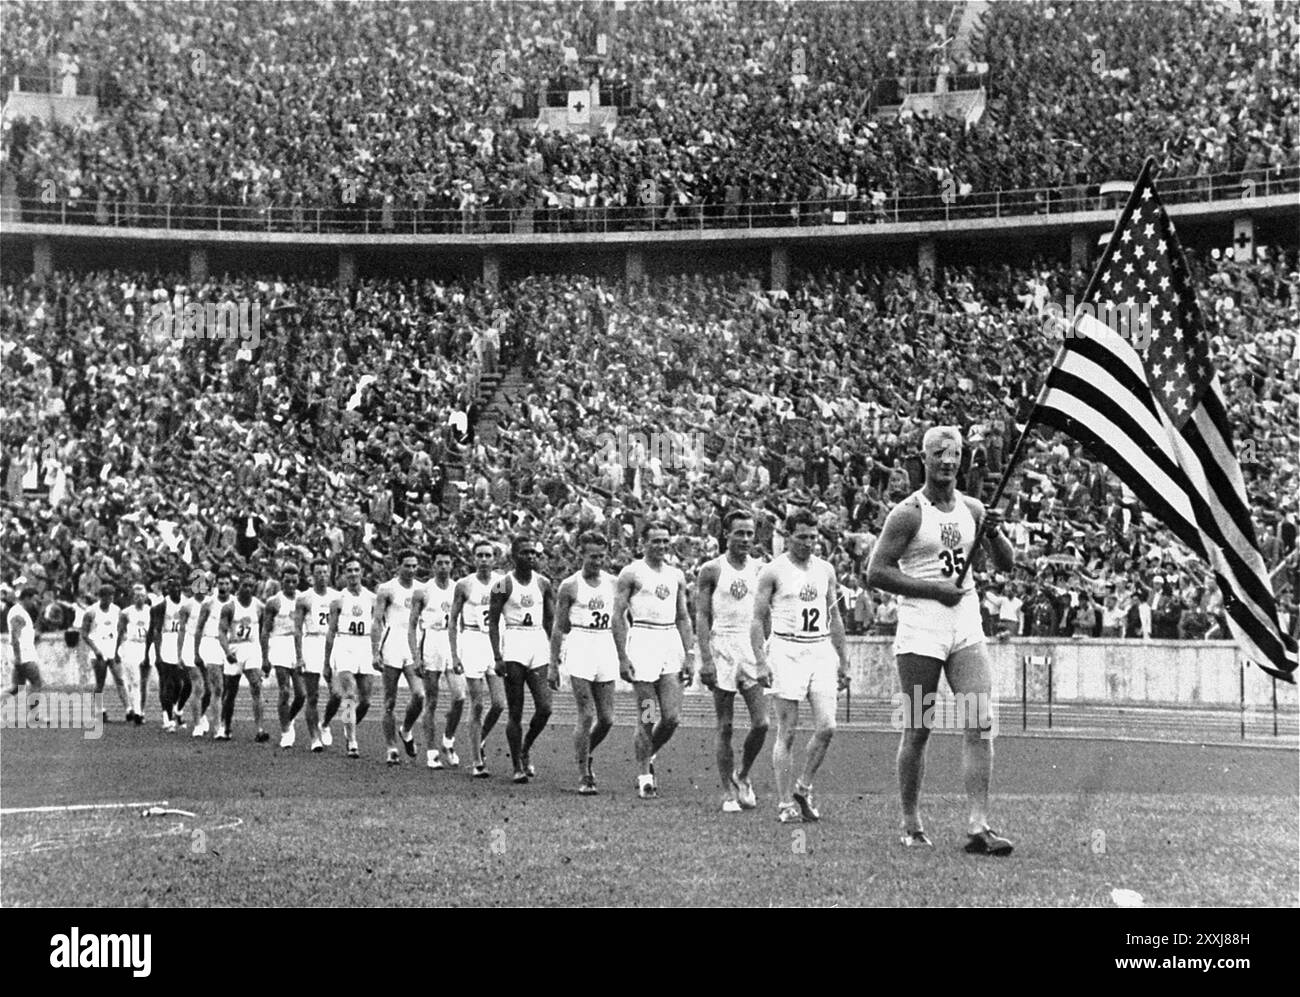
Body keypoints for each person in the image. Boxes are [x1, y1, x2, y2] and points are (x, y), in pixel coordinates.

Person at [866, 425, 1015, 855]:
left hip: (964, 621)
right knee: (918, 727)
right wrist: (933, 590)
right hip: (921, 627)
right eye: (938, 454)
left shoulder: (972, 507)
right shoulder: (908, 513)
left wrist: (994, 532)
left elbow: (1006, 563)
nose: (947, 461)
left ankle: (978, 824)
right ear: (924, 458)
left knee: (980, 719)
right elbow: (876, 572)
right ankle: (911, 821)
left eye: (954, 454)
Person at [752, 510, 849, 824]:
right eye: (802, 537)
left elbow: (834, 618)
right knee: (788, 730)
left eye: (813, 537)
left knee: (827, 727)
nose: (808, 543)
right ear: (787, 535)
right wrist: (761, 660)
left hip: (819, 649)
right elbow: (756, 619)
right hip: (786, 648)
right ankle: (784, 804)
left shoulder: (826, 570)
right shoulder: (772, 571)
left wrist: (843, 661)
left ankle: (803, 787)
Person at [612, 521, 695, 800]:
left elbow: (683, 617)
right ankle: (644, 774)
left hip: (669, 643)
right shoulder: (631, 573)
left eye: (665, 541)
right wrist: (623, 656)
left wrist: (689, 654)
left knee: (671, 718)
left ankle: (649, 754)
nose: (661, 546)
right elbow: (618, 616)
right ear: (643, 543)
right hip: (643, 644)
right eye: (655, 541)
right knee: (647, 716)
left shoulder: (676, 575)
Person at [696, 510, 769, 813]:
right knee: (725, 725)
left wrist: (766, 653)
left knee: (762, 723)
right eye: (739, 532)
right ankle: (728, 792)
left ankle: (743, 775)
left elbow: (766, 614)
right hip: (722, 645)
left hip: (751, 646)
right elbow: (701, 615)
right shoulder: (711, 569)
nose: (745, 539)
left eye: (750, 533)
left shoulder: (762, 569)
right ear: (726, 534)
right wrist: (706, 659)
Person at [549, 531, 617, 795]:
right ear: (581, 554)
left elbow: (621, 619)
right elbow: (558, 627)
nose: (597, 561)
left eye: (601, 556)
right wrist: (553, 664)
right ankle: (583, 775)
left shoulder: (612, 582)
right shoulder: (570, 585)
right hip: (580, 644)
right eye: (592, 556)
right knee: (586, 714)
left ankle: (586, 753)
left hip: (605, 644)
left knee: (608, 718)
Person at [488, 536, 556, 783]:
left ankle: (526, 747)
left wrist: (555, 655)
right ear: (514, 556)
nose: (531, 557)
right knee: (515, 710)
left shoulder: (544, 583)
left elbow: (550, 620)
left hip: (537, 642)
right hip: (515, 642)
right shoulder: (502, 585)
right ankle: (516, 764)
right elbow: (493, 622)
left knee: (545, 707)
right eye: (526, 553)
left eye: (534, 553)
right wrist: (497, 655)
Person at [448, 540, 507, 777]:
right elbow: (452, 620)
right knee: (476, 703)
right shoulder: (464, 585)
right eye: (479, 555)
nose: (484, 559)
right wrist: (454, 654)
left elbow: (506, 613)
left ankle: (478, 738)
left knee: (499, 704)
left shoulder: (500, 584)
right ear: (473, 559)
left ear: (494, 559)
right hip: (471, 641)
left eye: (488, 555)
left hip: (493, 642)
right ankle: (475, 760)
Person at [408, 544, 467, 769]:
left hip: (452, 642)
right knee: (430, 700)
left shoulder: (458, 588)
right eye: (439, 563)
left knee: (460, 696)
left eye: (447, 563)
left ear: (452, 565)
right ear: (432, 565)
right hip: (431, 642)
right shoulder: (423, 591)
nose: (443, 567)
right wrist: (416, 656)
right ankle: (431, 750)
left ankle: (448, 740)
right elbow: (412, 626)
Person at [324, 558, 379, 758]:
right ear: (344, 574)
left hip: (364, 645)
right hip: (345, 645)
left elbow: (378, 625)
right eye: (349, 570)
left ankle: (349, 724)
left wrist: (376, 651)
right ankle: (352, 740)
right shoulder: (338, 600)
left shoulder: (372, 599)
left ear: (362, 572)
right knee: (349, 694)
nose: (353, 574)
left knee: (365, 701)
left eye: (357, 570)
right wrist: (327, 662)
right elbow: (330, 632)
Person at [375, 550, 422, 765]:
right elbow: (377, 621)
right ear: (398, 566)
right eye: (407, 566)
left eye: (414, 566)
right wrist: (375, 651)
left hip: (412, 644)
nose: (411, 570)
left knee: (419, 695)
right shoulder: (387, 589)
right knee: (389, 701)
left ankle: (406, 729)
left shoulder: (422, 589)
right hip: (392, 643)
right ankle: (391, 747)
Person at [217, 574, 269, 742]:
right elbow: (222, 632)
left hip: (252, 648)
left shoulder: (259, 606)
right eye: (245, 585)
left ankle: (260, 729)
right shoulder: (230, 607)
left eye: (251, 586)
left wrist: (265, 654)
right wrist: (227, 651)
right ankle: (225, 726)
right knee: (230, 691)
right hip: (235, 647)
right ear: (239, 586)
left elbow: (265, 628)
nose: (248, 589)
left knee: (256, 685)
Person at [294, 556, 337, 751]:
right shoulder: (304, 598)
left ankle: (326, 723)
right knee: (312, 696)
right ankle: (314, 738)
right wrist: (299, 655)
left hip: (333, 643)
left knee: (338, 694)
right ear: (312, 575)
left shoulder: (337, 597)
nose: (322, 576)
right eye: (318, 572)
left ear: (330, 573)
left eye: (325, 572)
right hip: (312, 641)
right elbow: (297, 628)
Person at [262, 563, 306, 748]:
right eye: (287, 581)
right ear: (282, 581)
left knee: (301, 694)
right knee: (284, 690)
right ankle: (286, 730)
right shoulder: (274, 602)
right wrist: (264, 657)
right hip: (279, 643)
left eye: (294, 581)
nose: (290, 585)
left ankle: (289, 718)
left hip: (296, 644)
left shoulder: (303, 599)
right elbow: (265, 630)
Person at [80, 583, 131, 722]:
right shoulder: (91, 612)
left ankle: (128, 709)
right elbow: (84, 634)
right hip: (98, 648)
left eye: (111, 596)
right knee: (100, 682)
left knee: (120, 679)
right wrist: (95, 650)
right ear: (101, 597)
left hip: (112, 648)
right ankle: (99, 710)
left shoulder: (116, 610)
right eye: (106, 596)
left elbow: (120, 631)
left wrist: (118, 649)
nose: (109, 599)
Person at [193, 570, 235, 736]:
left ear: (231, 585)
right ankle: (217, 727)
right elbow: (198, 628)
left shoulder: (235, 603)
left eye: (227, 583)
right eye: (221, 584)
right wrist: (196, 653)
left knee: (225, 689)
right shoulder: (209, 604)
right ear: (216, 585)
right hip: (211, 643)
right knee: (217, 688)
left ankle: (209, 717)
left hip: (229, 645)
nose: (224, 587)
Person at [151, 576, 189, 731]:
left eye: (179, 586)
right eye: (173, 587)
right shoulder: (162, 606)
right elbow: (157, 630)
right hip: (167, 642)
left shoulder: (186, 603)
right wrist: (157, 653)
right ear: (168, 589)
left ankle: (177, 709)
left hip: (183, 642)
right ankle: (167, 717)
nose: (177, 590)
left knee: (186, 683)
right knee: (168, 683)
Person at [116, 583, 153, 725]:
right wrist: (116, 651)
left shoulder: (151, 611)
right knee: (135, 681)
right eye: (137, 596)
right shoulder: (126, 612)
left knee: (144, 681)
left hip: (146, 645)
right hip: (132, 645)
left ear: (146, 597)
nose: (139, 598)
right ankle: (137, 711)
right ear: (132, 597)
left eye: (142, 596)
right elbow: (120, 632)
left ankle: (142, 710)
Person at [4, 587, 43, 717]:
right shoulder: (18, 612)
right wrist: (18, 657)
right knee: (36, 682)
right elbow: (15, 637)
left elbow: (21, 634)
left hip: (22, 654)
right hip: (24, 655)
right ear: (27, 598)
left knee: (15, 687)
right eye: (33, 600)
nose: (34, 603)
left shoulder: (20, 612)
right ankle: (34, 715)